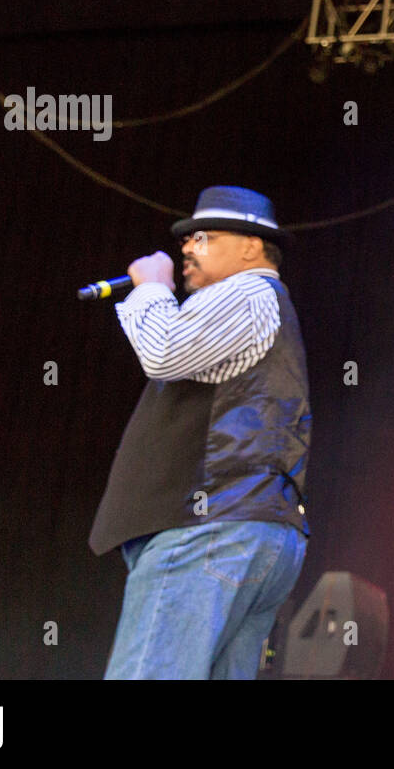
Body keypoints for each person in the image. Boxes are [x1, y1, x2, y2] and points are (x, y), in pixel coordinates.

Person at [89, 185, 312, 679]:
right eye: (187, 238)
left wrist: (151, 286)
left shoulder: (249, 290)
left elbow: (164, 352)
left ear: (252, 247)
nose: (186, 247)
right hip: (251, 528)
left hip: (212, 525)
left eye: (204, 237)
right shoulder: (259, 305)